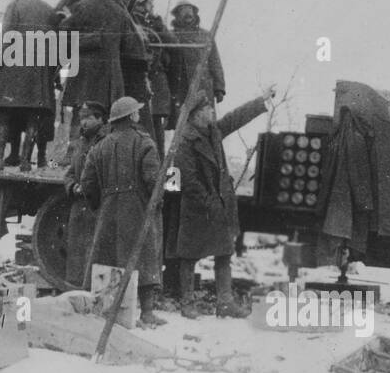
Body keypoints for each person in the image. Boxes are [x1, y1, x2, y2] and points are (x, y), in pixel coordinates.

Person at [164, 86, 274, 318]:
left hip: (217, 205)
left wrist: (260, 101)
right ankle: (187, 303)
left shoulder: (212, 131)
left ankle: (225, 302)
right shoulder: (185, 141)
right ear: (196, 114)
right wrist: (210, 202)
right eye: (207, 108)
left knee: (224, 254)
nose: (212, 111)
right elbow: (190, 181)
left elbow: (234, 119)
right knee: (189, 257)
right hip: (197, 209)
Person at [79, 95, 166, 328]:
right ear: (132, 116)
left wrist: (100, 204)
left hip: (108, 209)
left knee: (106, 258)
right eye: (137, 111)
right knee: (144, 257)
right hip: (137, 208)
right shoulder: (144, 142)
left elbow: (87, 183)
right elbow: (152, 179)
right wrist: (155, 203)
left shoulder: (99, 146)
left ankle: (104, 310)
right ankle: (146, 313)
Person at [0, 0, 56, 170]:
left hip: (14, 71)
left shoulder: (14, 6)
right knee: (33, 115)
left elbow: (6, 39)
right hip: (38, 72)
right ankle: (25, 162)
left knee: (4, 113)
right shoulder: (49, 10)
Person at [61, 0, 137, 114]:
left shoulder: (80, 7)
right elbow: (129, 45)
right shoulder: (120, 11)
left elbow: (64, 38)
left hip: (85, 75)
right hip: (112, 77)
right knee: (108, 117)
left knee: (83, 116)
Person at [61, 100, 105, 287]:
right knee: (76, 251)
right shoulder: (81, 141)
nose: (84, 123)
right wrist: (73, 187)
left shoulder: (106, 140)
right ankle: (75, 290)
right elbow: (70, 172)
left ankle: (90, 293)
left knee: (95, 253)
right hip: (80, 206)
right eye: (81, 119)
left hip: (98, 205)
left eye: (88, 118)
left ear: (100, 119)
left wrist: (88, 188)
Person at [167, 0, 226, 117]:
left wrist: (219, 88)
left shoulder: (206, 35)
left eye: (190, 10)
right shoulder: (170, 36)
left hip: (203, 87)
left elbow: (215, 62)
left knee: (206, 121)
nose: (188, 13)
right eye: (183, 10)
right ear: (177, 15)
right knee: (183, 124)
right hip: (181, 89)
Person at [133, 0, 172, 157]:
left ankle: (159, 159)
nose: (152, 8)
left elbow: (170, 39)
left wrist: (159, 26)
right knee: (143, 123)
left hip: (155, 78)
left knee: (156, 125)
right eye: (150, 4)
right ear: (142, 5)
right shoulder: (133, 20)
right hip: (141, 76)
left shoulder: (154, 23)